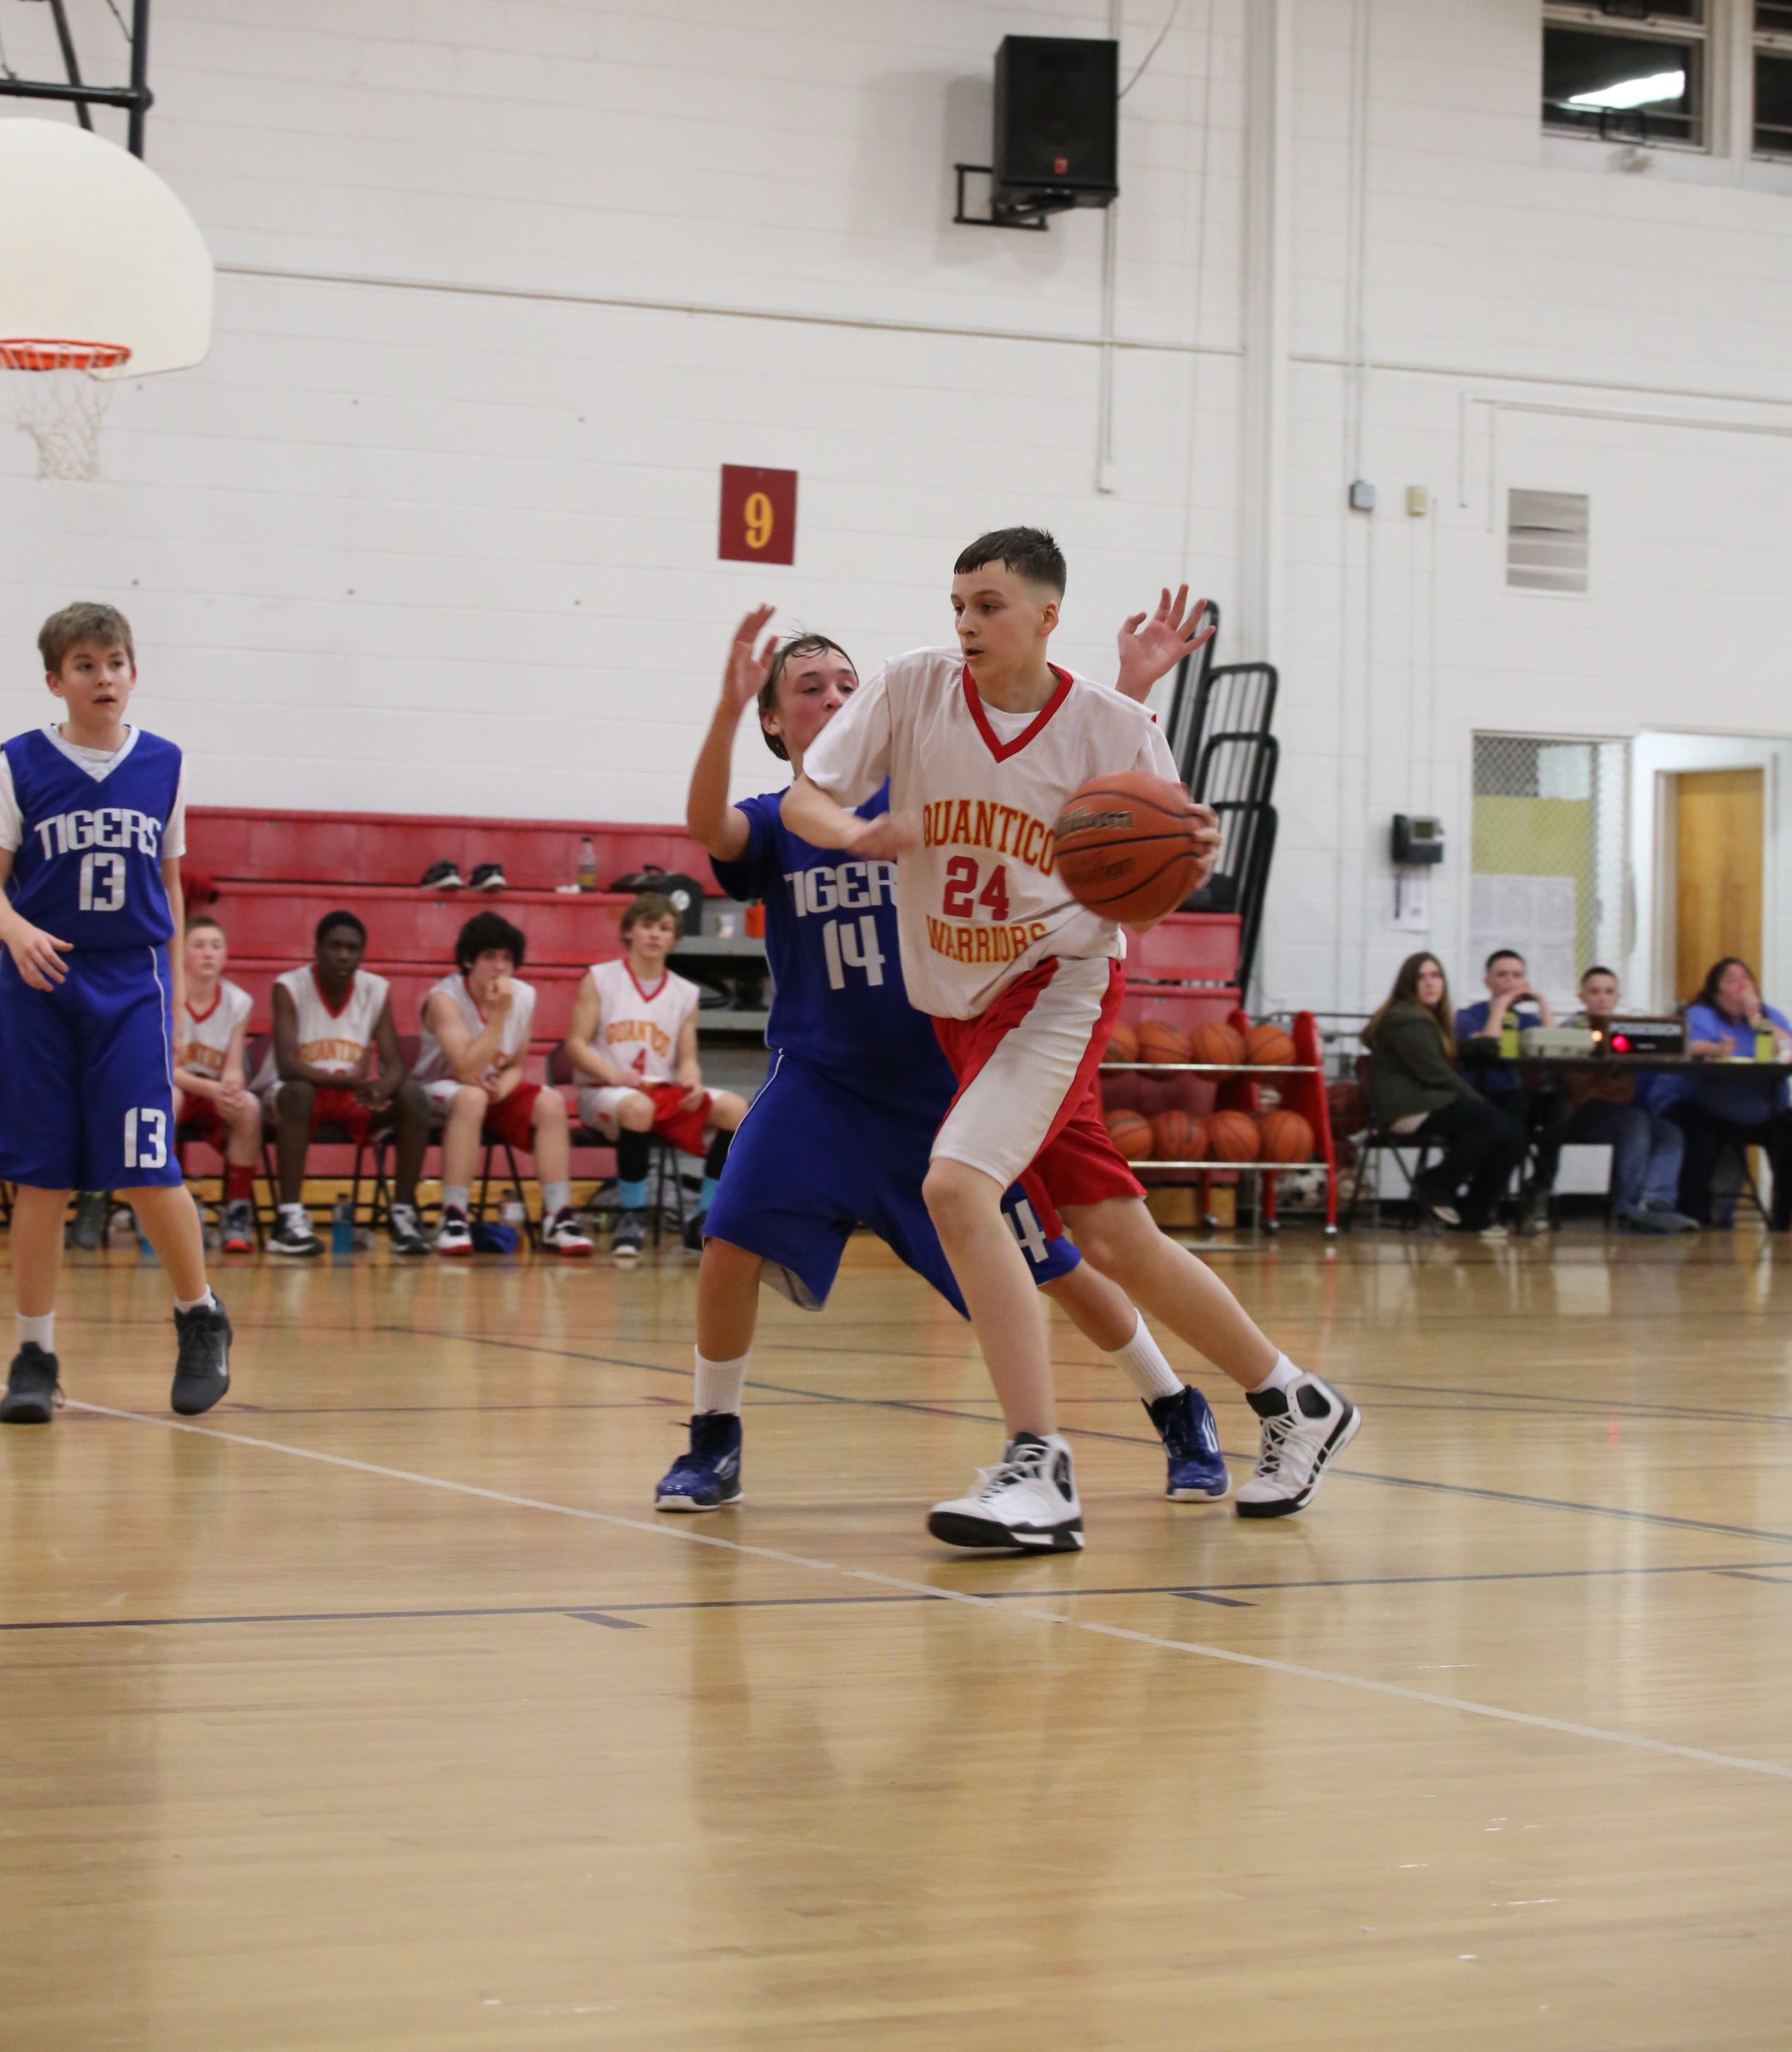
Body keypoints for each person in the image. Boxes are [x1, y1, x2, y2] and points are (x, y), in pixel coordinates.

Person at [785, 526, 1357, 1553]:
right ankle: (1294, 1401)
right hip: (957, 1010)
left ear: (1048, 615)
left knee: (957, 1189)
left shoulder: (1110, 723)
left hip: (1059, 984)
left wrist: (1163, 823)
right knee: (1110, 1238)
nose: (965, 622)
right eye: (958, 602)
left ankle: (1037, 1465)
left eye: (989, 605)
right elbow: (804, 795)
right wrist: (855, 832)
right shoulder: (913, 688)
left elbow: (1188, 845)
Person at [658, 597, 1232, 1516]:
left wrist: (1128, 690)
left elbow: (1082, 811)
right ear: (775, 720)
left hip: (942, 1087)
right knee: (728, 1240)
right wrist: (723, 712)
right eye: (810, 688)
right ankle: (713, 1439)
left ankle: (1175, 1405)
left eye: (849, 681)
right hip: (821, 1083)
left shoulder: (925, 787)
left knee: (1061, 1269)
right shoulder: (778, 818)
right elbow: (704, 827)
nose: (837, 695)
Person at [0, 601, 232, 1422]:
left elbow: (172, 885)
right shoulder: (21, 764)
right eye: (84, 665)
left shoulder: (166, 765)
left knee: (147, 1170)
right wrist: (12, 928)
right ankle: (35, 1354)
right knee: (40, 1177)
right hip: (41, 985)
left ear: (132, 672)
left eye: (114, 662)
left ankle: (200, 1315)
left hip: (131, 986)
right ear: (56, 681)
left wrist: (177, 1004)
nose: (103, 676)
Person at [567, 897, 749, 1261]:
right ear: (629, 932)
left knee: (736, 1108)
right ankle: (632, 1218)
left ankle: (705, 1219)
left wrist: (692, 1082)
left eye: (664, 928)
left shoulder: (685, 993)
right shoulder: (600, 978)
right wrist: (614, 1074)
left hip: (659, 1092)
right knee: (637, 1108)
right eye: (648, 925)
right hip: (605, 1090)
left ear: (674, 939)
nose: (655, 934)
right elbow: (575, 1045)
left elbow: (686, 1059)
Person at [413, 907, 591, 1257]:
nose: (499, 966)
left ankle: (559, 1217)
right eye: (489, 956)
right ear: (467, 960)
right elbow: (465, 1070)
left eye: (507, 958)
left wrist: (504, 1089)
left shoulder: (523, 996)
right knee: (470, 1098)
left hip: (488, 1091)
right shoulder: (444, 1000)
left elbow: (516, 1065)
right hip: (437, 1091)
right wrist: (496, 1019)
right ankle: (454, 1216)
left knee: (551, 1102)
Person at [257, 909, 431, 1257]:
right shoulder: (289, 987)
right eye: (334, 946)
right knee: (299, 1094)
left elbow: (395, 1063)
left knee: (413, 1095)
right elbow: (289, 1066)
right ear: (317, 949)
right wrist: (351, 1084)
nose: (343, 955)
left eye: (352, 948)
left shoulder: (375, 989)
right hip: (294, 1095)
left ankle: (402, 1215)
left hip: (351, 1096)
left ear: (362, 954)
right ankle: (288, 1218)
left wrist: (383, 1088)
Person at [1361, 953, 1523, 1236]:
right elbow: (1435, 1073)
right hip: (1409, 1109)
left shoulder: (1424, 1018)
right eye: (1421, 977)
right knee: (1497, 1123)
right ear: (1407, 984)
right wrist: (1479, 1102)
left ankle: (1475, 1211)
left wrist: (1470, 1049)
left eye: (1436, 976)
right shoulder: (1406, 1018)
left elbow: (1435, 1060)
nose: (1430, 983)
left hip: (1428, 1103)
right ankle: (1435, 1184)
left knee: (1514, 1132)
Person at [1568, 966, 1693, 1234]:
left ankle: (1657, 1203)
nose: (1602, 998)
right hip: (1583, 1113)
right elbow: (1576, 1086)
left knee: (1670, 1132)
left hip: (1622, 1110)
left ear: (1617, 997)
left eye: (1609, 992)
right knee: (1635, 1122)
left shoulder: (1629, 1031)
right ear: (1582, 997)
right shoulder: (1573, 1029)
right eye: (1595, 992)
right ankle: (1627, 1205)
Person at [1673, 957, 1792, 1232]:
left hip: (1763, 1110)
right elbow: (1690, 1045)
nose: (1742, 985)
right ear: (1717, 992)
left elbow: (1786, 1048)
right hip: (1710, 1106)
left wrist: (1756, 1020)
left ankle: (1783, 1219)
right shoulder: (1702, 1014)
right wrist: (1716, 1050)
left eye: (1746, 978)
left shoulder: (1769, 1017)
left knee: (1788, 1131)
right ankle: (1695, 1215)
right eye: (1731, 979)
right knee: (1696, 1130)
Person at [173, 912, 265, 1256]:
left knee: (249, 1107)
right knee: (167, 1097)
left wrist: (230, 1087)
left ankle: (237, 1211)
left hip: (210, 1092)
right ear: (181, 953)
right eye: (198, 946)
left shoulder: (237, 1002)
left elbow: (233, 1066)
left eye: (216, 946)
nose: (209, 953)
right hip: (177, 1088)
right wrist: (215, 1090)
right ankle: (158, 1203)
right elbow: (164, 1070)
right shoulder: (166, 993)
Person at [1455, 947, 1558, 1230]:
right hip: (1483, 1095)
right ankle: (1488, 1202)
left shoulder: (1528, 1020)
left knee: (1560, 1109)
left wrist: (1542, 1002)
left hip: (1521, 1099)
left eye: (1517, 975)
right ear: (1487, 981)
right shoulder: (1468, 1016)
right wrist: (1501, 1006)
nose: (1510, 981)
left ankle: (1539, 1190)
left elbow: (1555, 1046)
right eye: (1502, 975)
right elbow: (1486, 1044)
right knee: (1515, 1111)